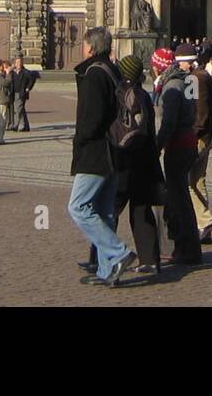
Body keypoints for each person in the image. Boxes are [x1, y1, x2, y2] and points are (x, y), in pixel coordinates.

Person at [83, 54, 163, 276]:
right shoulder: (144, 96)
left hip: (120, 160)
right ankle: (150, 261)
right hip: (143, 160)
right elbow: (150, 131)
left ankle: (99, 260)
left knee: (107, 211)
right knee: (141, 211)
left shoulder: (117, 94)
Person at [69, 27, 137, 288]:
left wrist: (82, 139)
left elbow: (91, 119)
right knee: (104, 211)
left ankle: (118, 252)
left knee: (78, 207)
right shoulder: (113, 70)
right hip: (116, 150)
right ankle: (108, 270)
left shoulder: (94, 73)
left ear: (90, 48)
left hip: (97, 153)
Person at [152, 47, 201, 267]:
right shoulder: (188, 81)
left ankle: (187, 250)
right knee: (181, 198)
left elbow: (169, 123)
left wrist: (157, 146)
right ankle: (185, 248)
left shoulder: (172, 87)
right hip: (187, 142)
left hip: (178, 146)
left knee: (179, 200)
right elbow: (192, 110)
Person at [189, 48, 212, 243]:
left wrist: (193, 133)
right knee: (199, 180)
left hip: (198, 137)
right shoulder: (204, 75)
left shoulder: (195, 78)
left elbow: (200, 110)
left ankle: (205, 221)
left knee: (188, 181)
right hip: (207, 135)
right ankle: (202, 228)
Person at [10, 56, 37, 132]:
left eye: (20, 62)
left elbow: (32, 79)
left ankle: (15, 126)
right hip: (14, 93)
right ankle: (26, 126)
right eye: (17, 62)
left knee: (18, 110)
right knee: (21, 110)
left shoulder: (26, 72)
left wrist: (28, 88)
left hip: (22, 93)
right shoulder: (13, 72)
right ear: (15, 63)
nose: (19, 64)